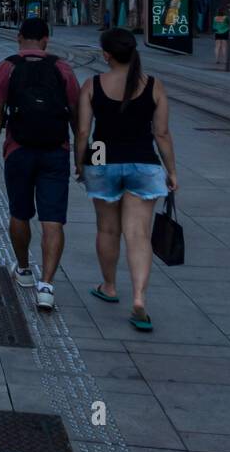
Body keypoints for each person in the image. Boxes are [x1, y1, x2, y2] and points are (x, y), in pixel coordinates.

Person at [75, 28, 177, 332]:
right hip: (144, 163)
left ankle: (109, 286)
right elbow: (161, 134)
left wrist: (81, 165)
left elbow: (83, 133)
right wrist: (171, 171)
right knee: (138, 234)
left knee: (107, 229)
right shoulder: (155, 86)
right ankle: (139, 299)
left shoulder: (92, 85)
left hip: (102, 159)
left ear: (106, 55)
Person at [0, 17, 80, 312]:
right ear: (46, 39)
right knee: (53, 220)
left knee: (19, 213)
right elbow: (78, 116)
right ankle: (47, 286)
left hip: (18, 149)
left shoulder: (6, 68)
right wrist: (84, 157)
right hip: (56, 151)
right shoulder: (62, 68)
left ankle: (24, 270)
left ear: (19, 37)